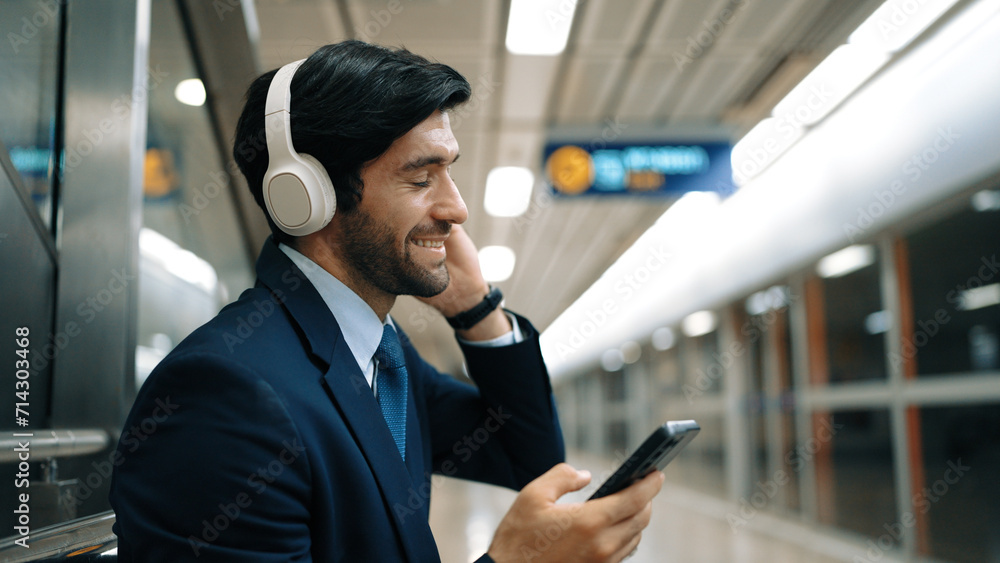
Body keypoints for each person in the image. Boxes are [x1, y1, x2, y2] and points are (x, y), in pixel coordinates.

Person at [109, 40, 663, 562]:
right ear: (306, 194)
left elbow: (529, 457)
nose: (457, 208)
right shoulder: (222, 396)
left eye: (449, 172)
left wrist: (475, 309)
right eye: (422, 178)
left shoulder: (382, 360)